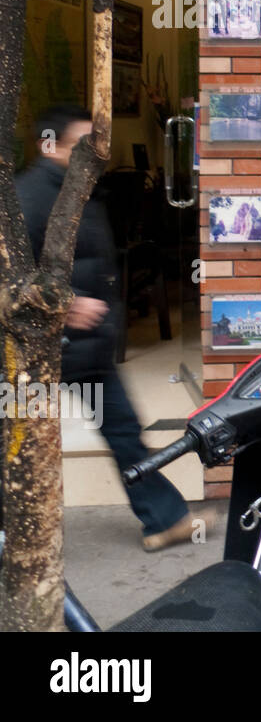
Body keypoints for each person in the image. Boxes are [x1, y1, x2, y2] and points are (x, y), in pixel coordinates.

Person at [16, 106, 207, 552]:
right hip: (41, 348)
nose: (96, 153)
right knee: (19, 443)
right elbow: (13, 277)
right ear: (52, 144)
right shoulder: (30, 198)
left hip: (85, 348)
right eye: (84, 143)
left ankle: (167, 519)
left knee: (123, 430)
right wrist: (63, 306)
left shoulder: (79, 190)